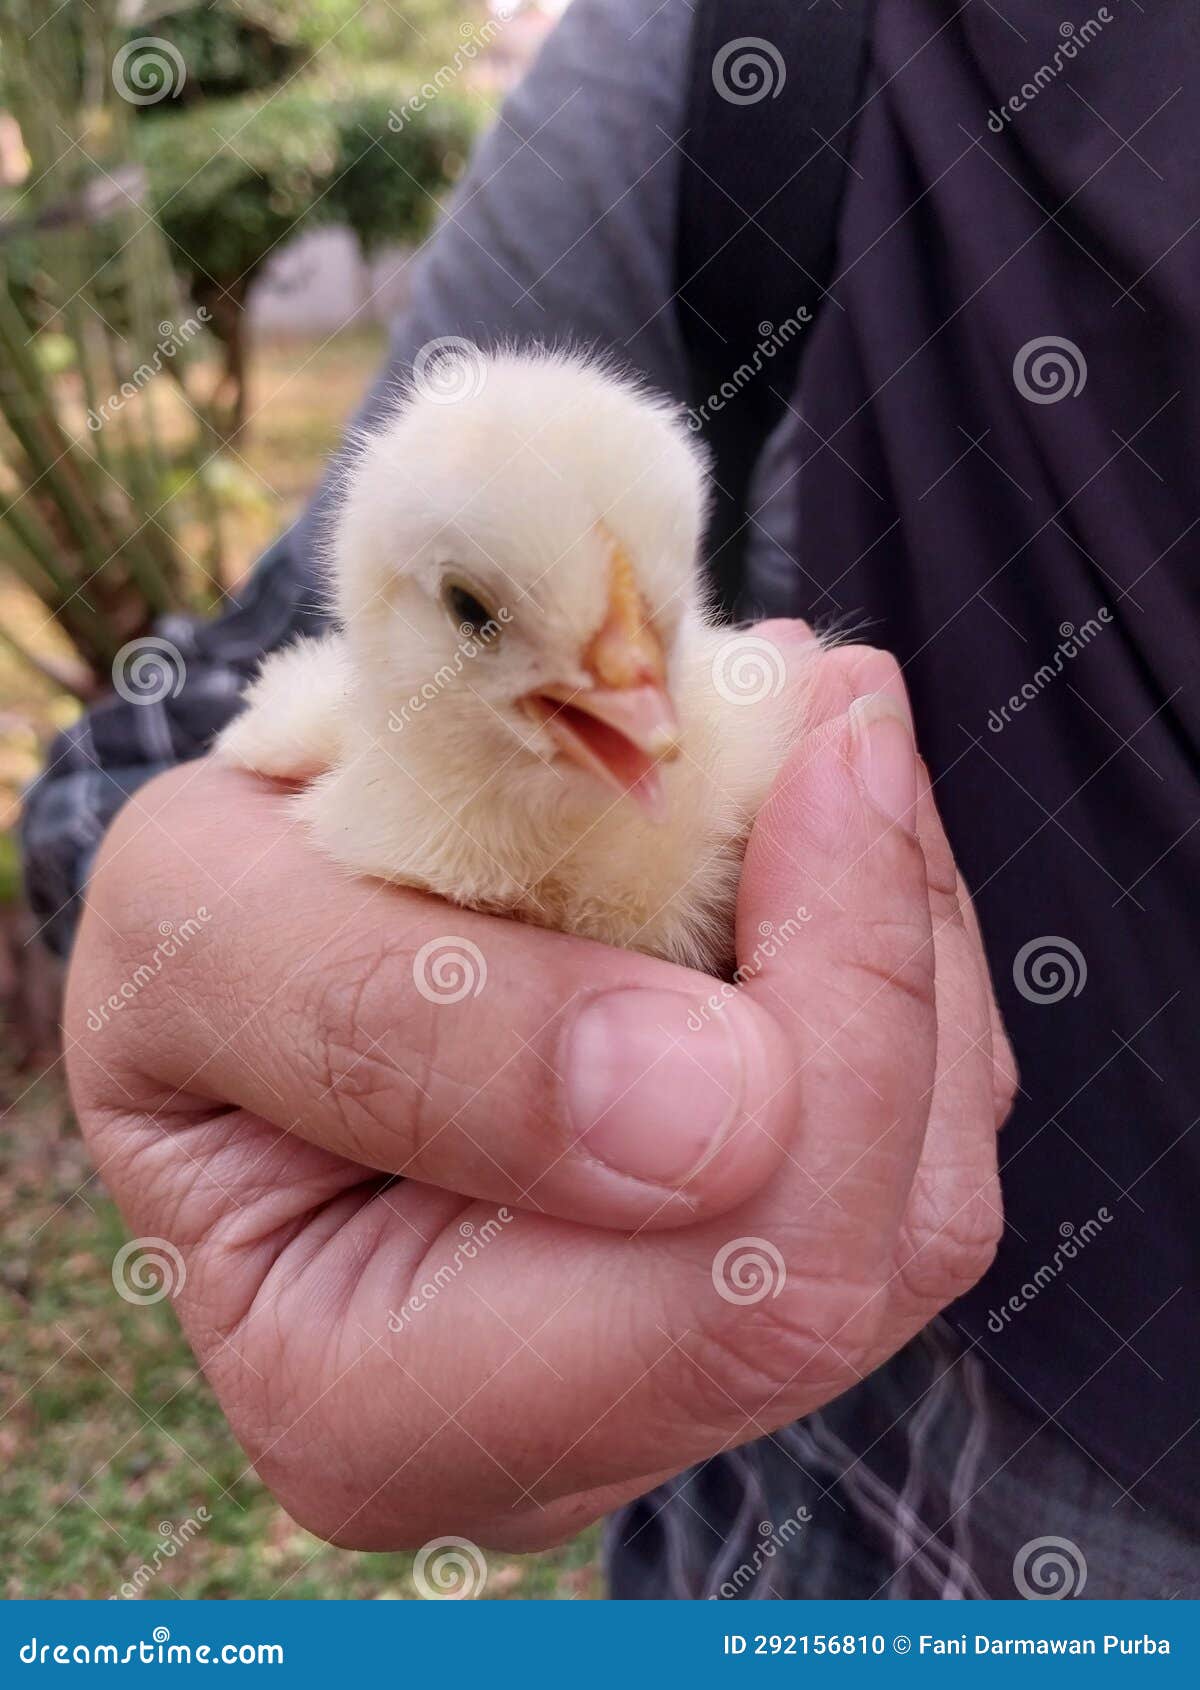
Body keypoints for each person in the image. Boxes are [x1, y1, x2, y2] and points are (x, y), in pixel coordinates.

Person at [23, 0, 1200, 1597]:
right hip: (882, 1504)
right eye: (507, 626)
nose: (643, 694)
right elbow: (166, 759)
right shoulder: (766, 57)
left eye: (650, 614)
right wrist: (195, 988)